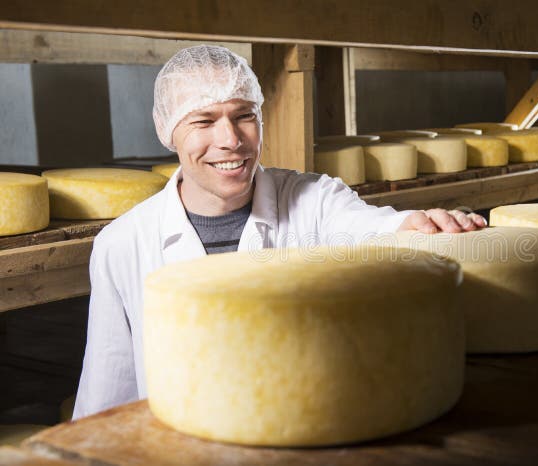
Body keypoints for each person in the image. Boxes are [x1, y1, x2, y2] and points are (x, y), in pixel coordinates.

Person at [72, 45, 486, 419]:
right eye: (204, 120)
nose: (230, 140)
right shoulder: (122, 245)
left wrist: (409, 226)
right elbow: (108, 395)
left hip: (307, 430)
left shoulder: (315, 201)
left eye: (244, 116)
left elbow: (370, 228)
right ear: (167, 129)